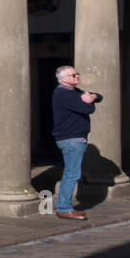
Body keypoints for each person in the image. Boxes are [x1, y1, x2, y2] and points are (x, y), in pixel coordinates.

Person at [52, 65, 102, 220]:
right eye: (73, 75)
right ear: (63, 79)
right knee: (72, 173)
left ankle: (65, 206)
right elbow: (88, 110)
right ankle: (64, 208)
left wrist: (92, 97)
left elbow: (100, 96)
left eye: (77, 74)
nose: (77, 77)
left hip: (76, 137)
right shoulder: (63, 94)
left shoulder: (75, 92)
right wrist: (89, 101)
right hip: (71, 138)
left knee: (72, 172)